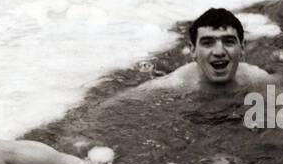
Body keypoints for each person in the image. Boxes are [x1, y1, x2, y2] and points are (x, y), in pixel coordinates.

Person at [103, 8, 274, 99]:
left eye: (228, 41)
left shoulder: (257, 79)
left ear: (242, 47)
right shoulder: (174, 85)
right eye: (207, 43)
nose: (219, 52)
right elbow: (117, 103)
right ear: (193, 50)